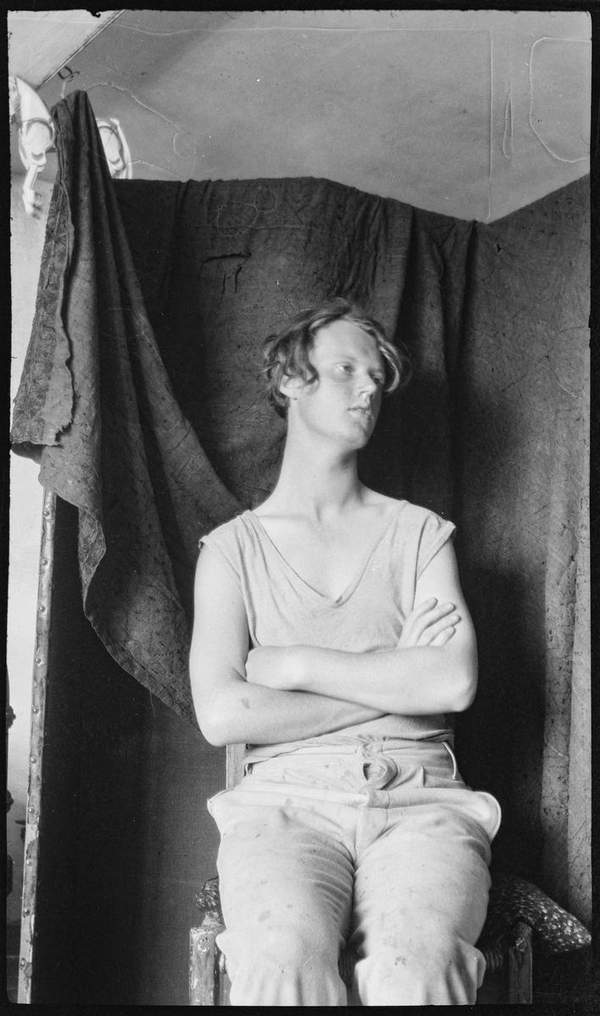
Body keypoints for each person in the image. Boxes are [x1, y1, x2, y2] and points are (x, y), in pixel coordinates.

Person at [189, 297, 501, 1006]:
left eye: (375, 375)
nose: (368, 389)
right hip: (282, 809)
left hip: (422, 802)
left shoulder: (421, 534)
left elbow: (451, 683)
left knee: (416, 967)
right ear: (291, 382)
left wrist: (295, 668)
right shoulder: (231, 551)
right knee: (280, 961)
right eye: (344, 370)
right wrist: (393, 679)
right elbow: (223, 713)